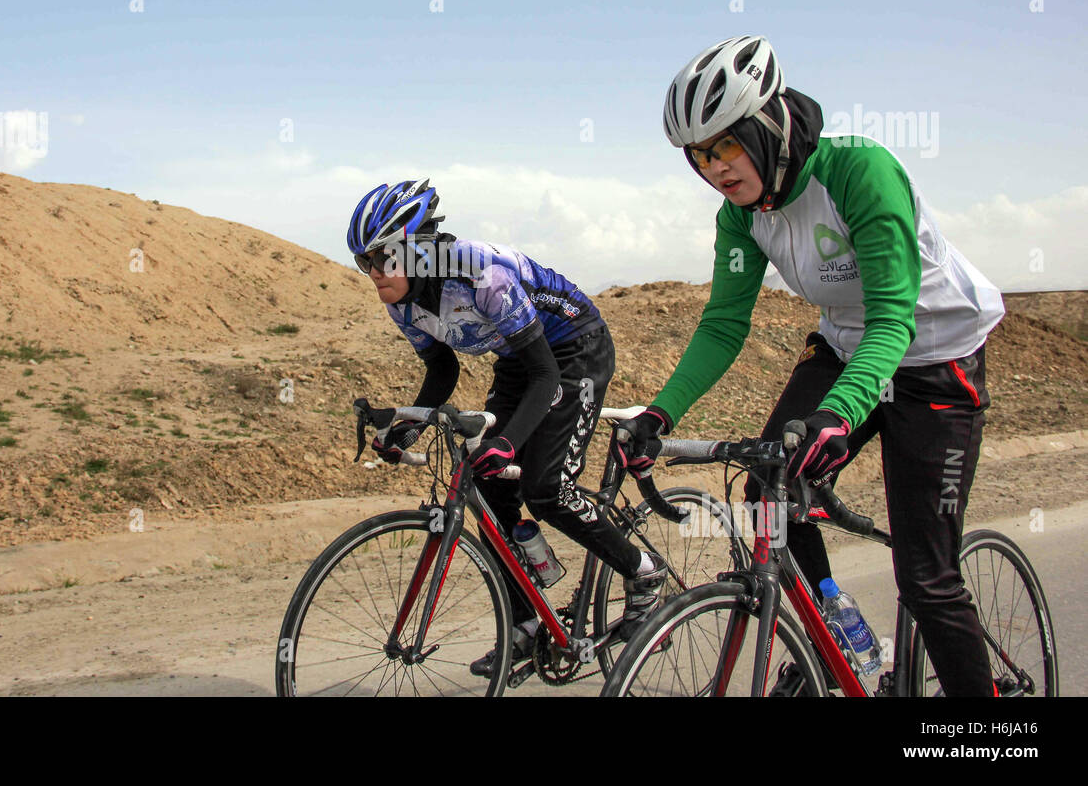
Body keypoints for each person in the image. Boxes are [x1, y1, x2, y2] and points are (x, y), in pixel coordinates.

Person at [619, 35, 1005, 697]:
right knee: (770, 490)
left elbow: (894, 319)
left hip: (936, 356)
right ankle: (839, 631)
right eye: (700, 156)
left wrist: (838, 415)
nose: (716, 168)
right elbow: (722, 326)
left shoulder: (858, 170)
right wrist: (659, 413)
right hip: (848, 347)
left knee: (927, 578)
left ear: (766, 127)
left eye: (726, 146)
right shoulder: (741, 216)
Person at [347, 179, 666, 674]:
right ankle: (527, 624)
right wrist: (408, 429)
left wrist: (509, 441)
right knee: (487, 483)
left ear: (416, 250)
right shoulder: (400, 300)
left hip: (573, 349)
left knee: (545, 486)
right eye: (361, 262)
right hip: (520, 359)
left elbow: (547, 375)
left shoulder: (482, 276)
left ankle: (644, 573)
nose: (371, 273)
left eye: (379, 258)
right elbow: (442, 370)